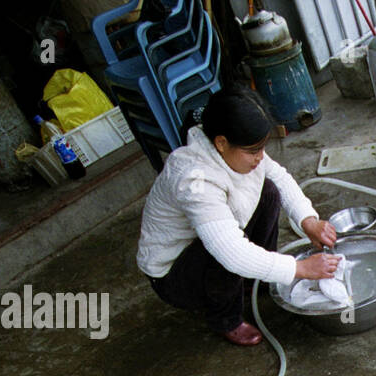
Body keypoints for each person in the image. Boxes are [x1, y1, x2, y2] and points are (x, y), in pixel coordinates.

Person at [137, 87, 340, 346]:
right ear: (221, 143)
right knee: (227, 248)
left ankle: (255, 281)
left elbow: (278, 177)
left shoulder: (238, 150)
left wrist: (308, 220)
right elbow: (229, 250)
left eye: (262, 148)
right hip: (174, 274)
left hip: (206, 246)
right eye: (253, 151)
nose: (259, 157)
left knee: (268, 190)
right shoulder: (193, 178)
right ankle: (226, 319)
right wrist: (298, 268)